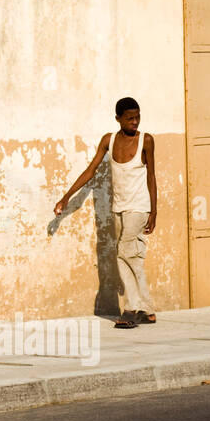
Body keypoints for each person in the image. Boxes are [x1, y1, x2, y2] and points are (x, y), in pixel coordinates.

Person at [53, 97, 158, 328]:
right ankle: (148, 311)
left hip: (139, 207)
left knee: (123, 253)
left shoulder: (146, 140)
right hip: (118, 207)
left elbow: (151, 176)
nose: (135, 122)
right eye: (130, 118)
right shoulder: (108, 141)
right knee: (133, 258)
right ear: (118, 119)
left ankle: (130, 310)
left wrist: (154, 211)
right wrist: (66, 196)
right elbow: (90, 170)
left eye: (137, 117)